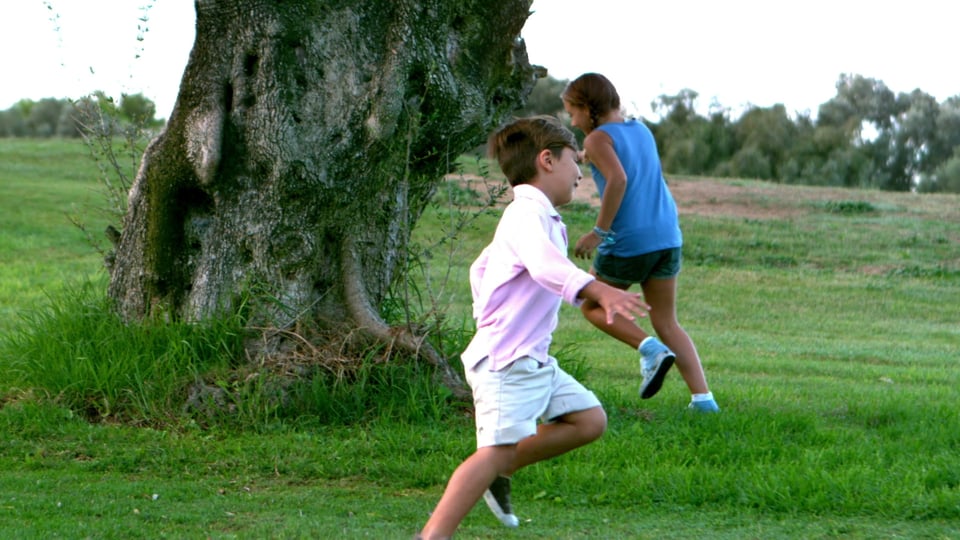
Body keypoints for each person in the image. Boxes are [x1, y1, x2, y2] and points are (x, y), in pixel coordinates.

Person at [417, 116, 652, 540]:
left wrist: (491, 306)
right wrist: (598, 289)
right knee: (491, 453)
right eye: (575, 161)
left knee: (588, 420)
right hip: (508, 360)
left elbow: (483, 266)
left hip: (531, 358)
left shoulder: (534, 217)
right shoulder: (526, 215)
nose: (581, 172)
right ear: (546, 160)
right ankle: (434, 534)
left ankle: (499, 468)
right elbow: (545, 267)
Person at [561, 72, 719, 413]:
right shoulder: (641, 130)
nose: (572, 121)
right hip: (666, 237)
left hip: (628, 242)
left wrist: (598, 232)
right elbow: (621, 160)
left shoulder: (597, 140)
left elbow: (618, 178)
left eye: (573, 113)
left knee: (591, 304)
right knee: (667, 321)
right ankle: (704, 401)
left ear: (589, 109)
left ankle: (650, 349)